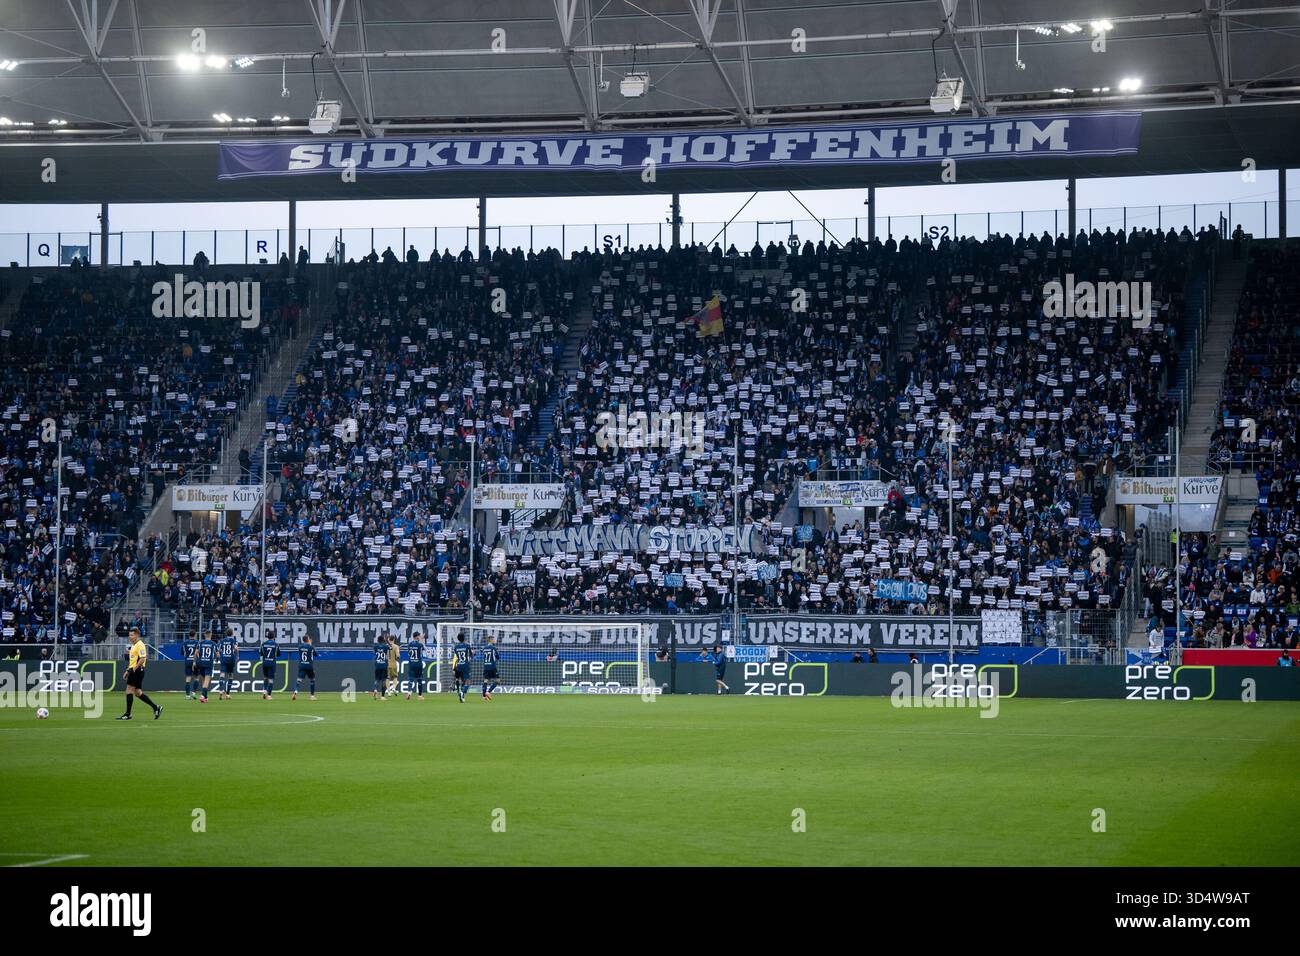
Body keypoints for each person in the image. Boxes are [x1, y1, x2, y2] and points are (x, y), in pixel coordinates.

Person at [117, 627, 161, 721]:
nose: (130, 637)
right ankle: (156, 707)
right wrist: (127, 670)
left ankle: (128, 714)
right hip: (134, 670)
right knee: (137, 693)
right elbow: (133, 661)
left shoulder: (140, 645)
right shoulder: (134, 645)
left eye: (132, 635)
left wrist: (133, 670)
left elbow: (142, 658)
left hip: (137, 670)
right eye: (129, 635)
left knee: (129, 690)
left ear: (137, 635)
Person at [194, 631, 217, 702]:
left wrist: (195, 661)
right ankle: (202, 695)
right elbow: (218, 653)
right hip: (209, 663)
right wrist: (216, 658)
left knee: (203, 680)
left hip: (201, 663)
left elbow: (195, 653)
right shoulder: (213, 644)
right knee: (207, 681)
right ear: (211, 635)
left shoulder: (200, 643)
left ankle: (206, 697)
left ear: (205, 635)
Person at [292, 635, 317, 701]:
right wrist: (310, 644)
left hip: (302, 665)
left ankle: (295, 692)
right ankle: (312, 696)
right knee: (312, 680)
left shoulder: (300, 647)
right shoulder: (311, 647)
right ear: (308, 640)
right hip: (309, 666)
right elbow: (316, 654)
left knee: (299, 680)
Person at [217, 628, 238, 700]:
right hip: (231, 659)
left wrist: (218, 657)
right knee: (230, 675)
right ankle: (228, 694)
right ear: (232, 634)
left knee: (222, 674)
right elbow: (236, 648)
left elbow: (218, 650)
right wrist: (237, 656)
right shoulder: (233, 640)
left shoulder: (222, 641)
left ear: (226, 634)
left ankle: (220, 690)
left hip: (224, 658)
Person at [452, 633, 474, 703]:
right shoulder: (467, 646)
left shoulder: (456, 647)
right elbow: (471, 655)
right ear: (464, 638)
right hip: (465, 665)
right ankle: (462, 693)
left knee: (458, 679)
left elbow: (457, 655)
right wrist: (473, 653)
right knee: (468, 682)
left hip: (458, 665)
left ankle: (459, 692)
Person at [404, 634, 426, 700]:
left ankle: (409, 692)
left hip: (411, 664)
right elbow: (424, 649)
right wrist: (422, 640)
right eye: (419, 636)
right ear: (417, 637)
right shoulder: (420, 644)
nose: (420, 637)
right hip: (418, 664)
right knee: (419, 680)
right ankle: (420, 696)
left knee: (410, 679)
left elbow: (409, 653)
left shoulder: (409, 644)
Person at [259, 634, 280, 700]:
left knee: (265, 678)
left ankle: (264, 692)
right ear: (273, 637)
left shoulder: (263, 644)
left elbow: (261, 653)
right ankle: (269, 695)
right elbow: (278, 654)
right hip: (272, 663)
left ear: (267, 637)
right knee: (271, 680)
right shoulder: (276, 644)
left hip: (265, 663)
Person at [481, 635, 500, 700]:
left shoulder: (484, 648)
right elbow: (498, 657)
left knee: (485, 681)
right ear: (491, 640)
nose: (495, 640)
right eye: (494, 639)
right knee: (497, 680)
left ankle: (484, 696)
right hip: (492, 666)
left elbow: (482, 653)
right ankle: (488, 692)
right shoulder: (493, 648)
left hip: (486, 666)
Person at [181, 631, 199, 700]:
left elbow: (183, 653)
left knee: (188, 678)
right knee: (196, 678)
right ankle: (194, 693)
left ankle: (187, 696)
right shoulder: (197, 643)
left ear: (189, 635)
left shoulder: (184, 643)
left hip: (188, 661)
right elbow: (198, 653)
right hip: (195, 662)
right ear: (195, 635)